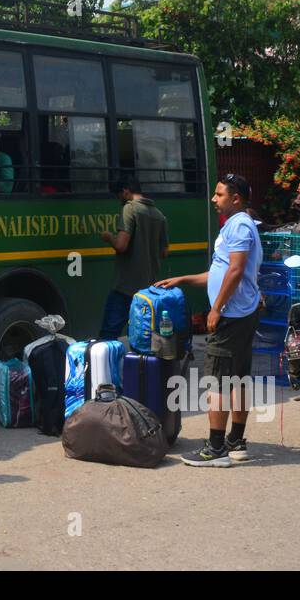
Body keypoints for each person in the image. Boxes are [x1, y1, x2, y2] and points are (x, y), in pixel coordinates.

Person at [155, 174, 262, 468]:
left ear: (235, 198)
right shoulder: (239, 225)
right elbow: (220, 272)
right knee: (237, 378)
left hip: (231, 315)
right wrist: (184, 279)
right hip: (241, 311)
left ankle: (216, 448)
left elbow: (236, 271)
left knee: (217, 380)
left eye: (219, 195)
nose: (213, 200)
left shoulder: (238, 226)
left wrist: (216, 308)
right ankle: (236, 442)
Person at [98, 175, 169, 340]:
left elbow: (121, 246)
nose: (119, 200)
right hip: (148, 289)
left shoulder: (130, 208)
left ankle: (106, 365)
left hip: (125, 286)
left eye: (118, 196)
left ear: (125, 191)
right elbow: (164, 253)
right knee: (139, 334)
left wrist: (109, 237)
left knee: (109, 333)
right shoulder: (159, 215)